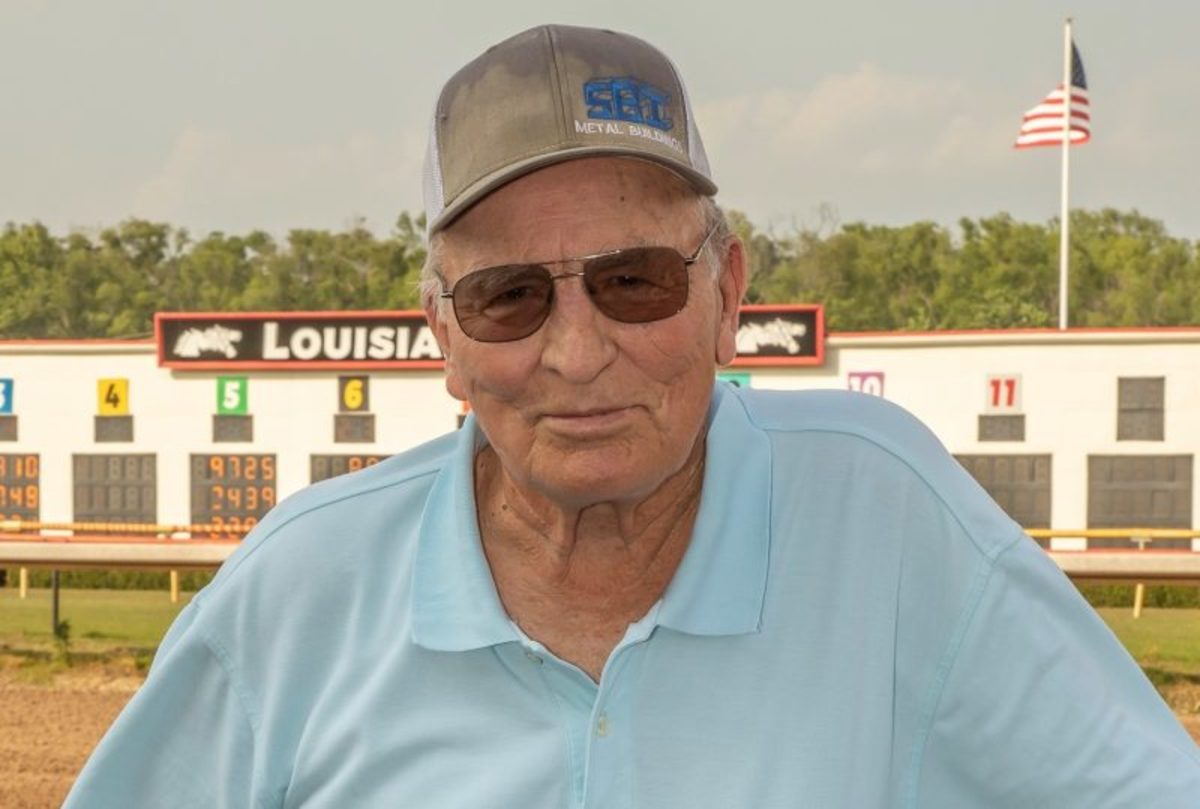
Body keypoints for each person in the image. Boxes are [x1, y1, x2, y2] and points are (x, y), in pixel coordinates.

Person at [66, 24, 1199, 808]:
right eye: (508, 297)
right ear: (444, 340)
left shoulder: (886, 518)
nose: (577, 349)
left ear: (728, 293)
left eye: (635, 280)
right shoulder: (300, 585)